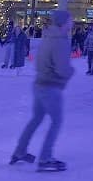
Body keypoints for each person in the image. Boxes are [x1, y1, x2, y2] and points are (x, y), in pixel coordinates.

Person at [10, 10, 75, 172]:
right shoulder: (60, 41)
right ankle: (45, 158)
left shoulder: (47, 36)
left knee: (36, 119)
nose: (72, 22)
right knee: (56, 122)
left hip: (40, 84)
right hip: (51, 86)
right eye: (70, 20)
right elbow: (62, 69)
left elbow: (38, 62)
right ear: (63, 23)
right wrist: (70, 72)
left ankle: (20, 151)